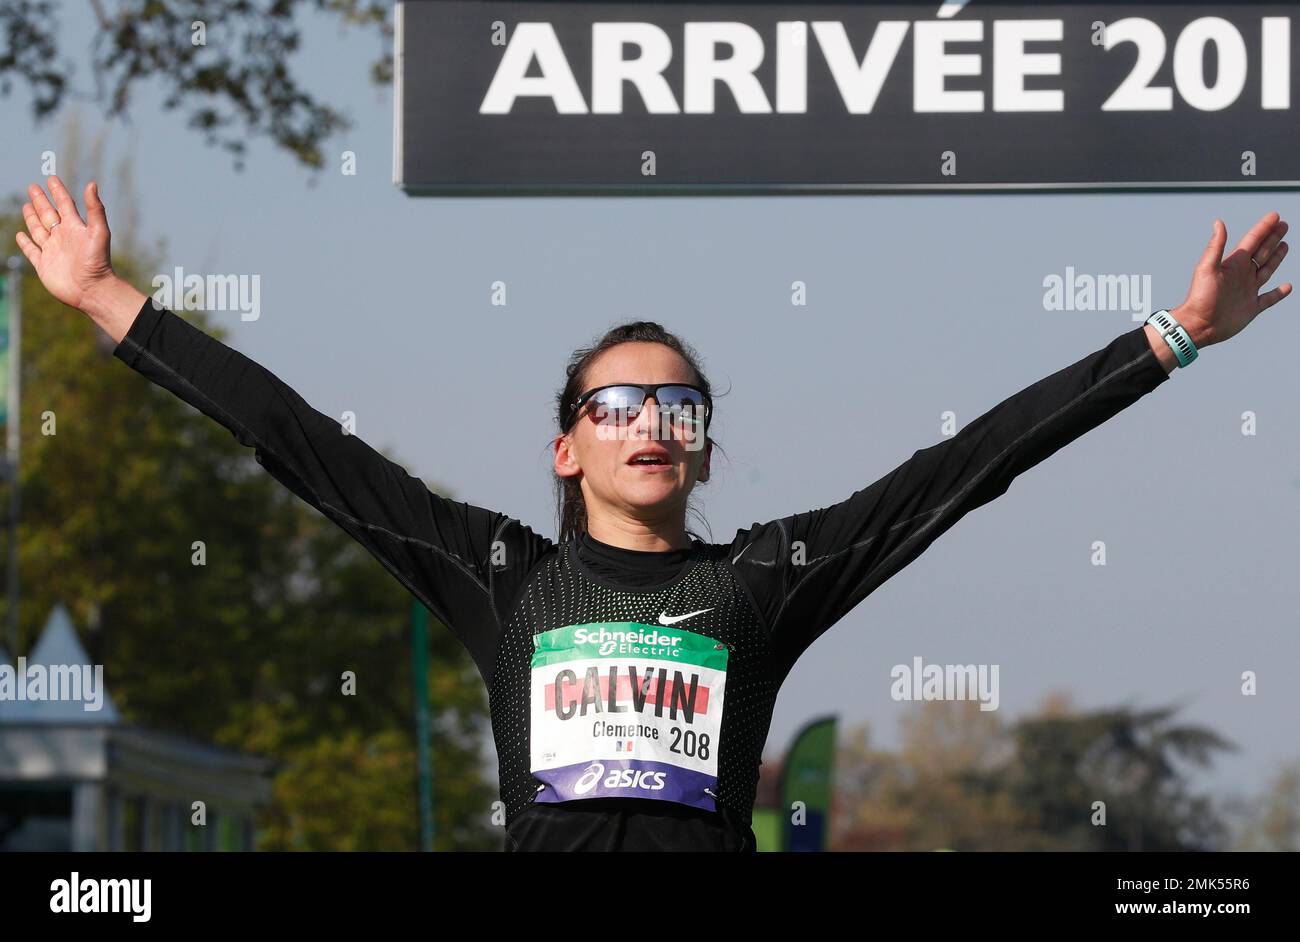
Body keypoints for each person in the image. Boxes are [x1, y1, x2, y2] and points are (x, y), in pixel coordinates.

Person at [14, 176, 1292, 851]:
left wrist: (1173, 336)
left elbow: (973, 466)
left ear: (704, 450)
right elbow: (289, 440)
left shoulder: (766, 578)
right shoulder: (496, 573)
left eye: (677, 408)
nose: (650, 423)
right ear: (565, 445)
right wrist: (109, 300)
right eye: (617, 403)